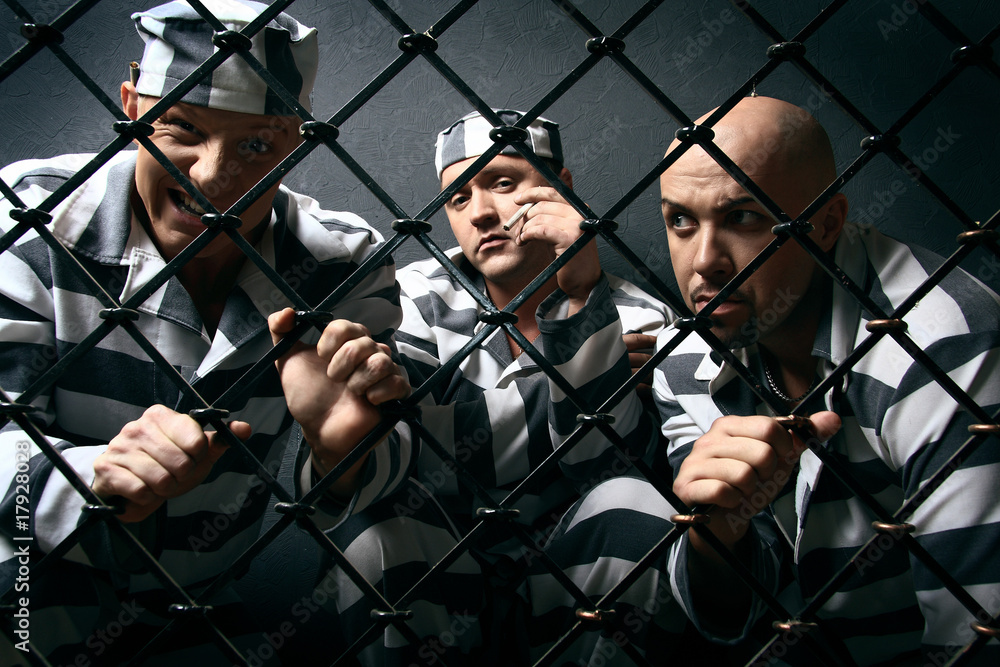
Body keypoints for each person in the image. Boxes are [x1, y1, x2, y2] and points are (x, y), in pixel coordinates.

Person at [0, 1, 410, 664]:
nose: (212, 176)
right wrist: (90, 480)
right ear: (133, 108)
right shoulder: (27, 215)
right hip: (26, 585)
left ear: (297, 142)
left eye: (255, 145)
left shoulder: (342, 264)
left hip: (194, 609)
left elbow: (380, 476)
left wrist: (345, 453)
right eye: (182, 126)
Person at [653, 95, 1000, 664]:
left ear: (826, 222)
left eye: (743, 216)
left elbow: (977, 637)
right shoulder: (686, 360)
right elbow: (735, 609)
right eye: (681, 220)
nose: (704, 262)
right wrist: (714, 533)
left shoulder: (940, 348)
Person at [386, 109, 684, 663]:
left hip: (570, 579)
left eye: (502, 182)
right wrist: (594, 370)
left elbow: (602, 469)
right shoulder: (412, 297)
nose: (480, 213)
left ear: (561, 189)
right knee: (375, 530)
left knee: (637, 498)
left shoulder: (640, 315)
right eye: (458, 198)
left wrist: (581, 303)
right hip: (441, 574)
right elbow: (398, 463)